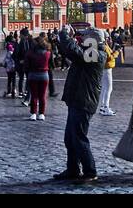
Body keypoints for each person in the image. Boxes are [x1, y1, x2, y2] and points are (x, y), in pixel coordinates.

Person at [54, 28, 104, 182]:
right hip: (77, 100)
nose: (82, 38)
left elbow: (74, 51)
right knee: (70, 138)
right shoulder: (90, 52)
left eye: (86, 36)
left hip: (84, 101)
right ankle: (73, 169)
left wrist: (64, 35)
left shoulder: (96, 54)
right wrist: (63, 39)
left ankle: (90, 171)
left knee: (79, 138)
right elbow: (71, 51)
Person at [24, 36, 52, 121]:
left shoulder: (30, 53)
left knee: (34, 95)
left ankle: (33, 113)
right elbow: (51, 64)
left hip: (33, 75)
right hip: (44, 75)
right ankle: (42, 114)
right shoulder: (48, 53)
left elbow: (26, 66)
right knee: (42, 96)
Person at [99, 38, 117, 116]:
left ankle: (102, 106)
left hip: (104, 68)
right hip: (107, 68)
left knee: (104, 88)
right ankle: (106, 107)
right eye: (108, 38)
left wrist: (114, 49)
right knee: (109, 88)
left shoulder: (103, 45)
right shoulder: (104, 46)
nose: (110, 39)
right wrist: (117, 52)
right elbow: (109, 58)